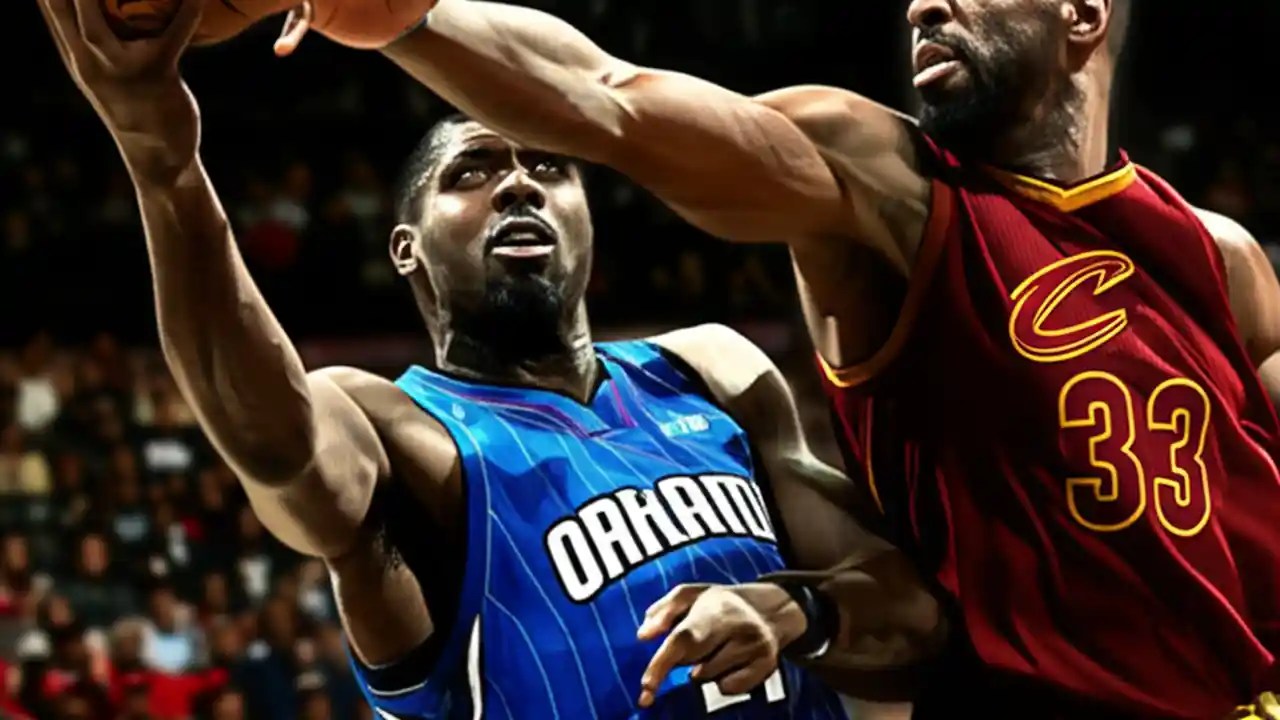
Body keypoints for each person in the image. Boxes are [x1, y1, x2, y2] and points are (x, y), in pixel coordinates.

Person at [270, 0, 1280, 716]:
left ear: (1081, 13)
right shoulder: (883, 188)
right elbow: (609, 97)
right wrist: (410, 18)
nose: (922, 6)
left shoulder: (1220, 259)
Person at [35, 1, 943, 719]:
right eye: (470, 173)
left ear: (589, 217)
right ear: (406, 249)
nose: (517, 184)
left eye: (551, 168)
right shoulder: (395, 431)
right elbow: (273, 444)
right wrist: (164, 163)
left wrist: (801, 612)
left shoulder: (714, 373)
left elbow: (916, 619)